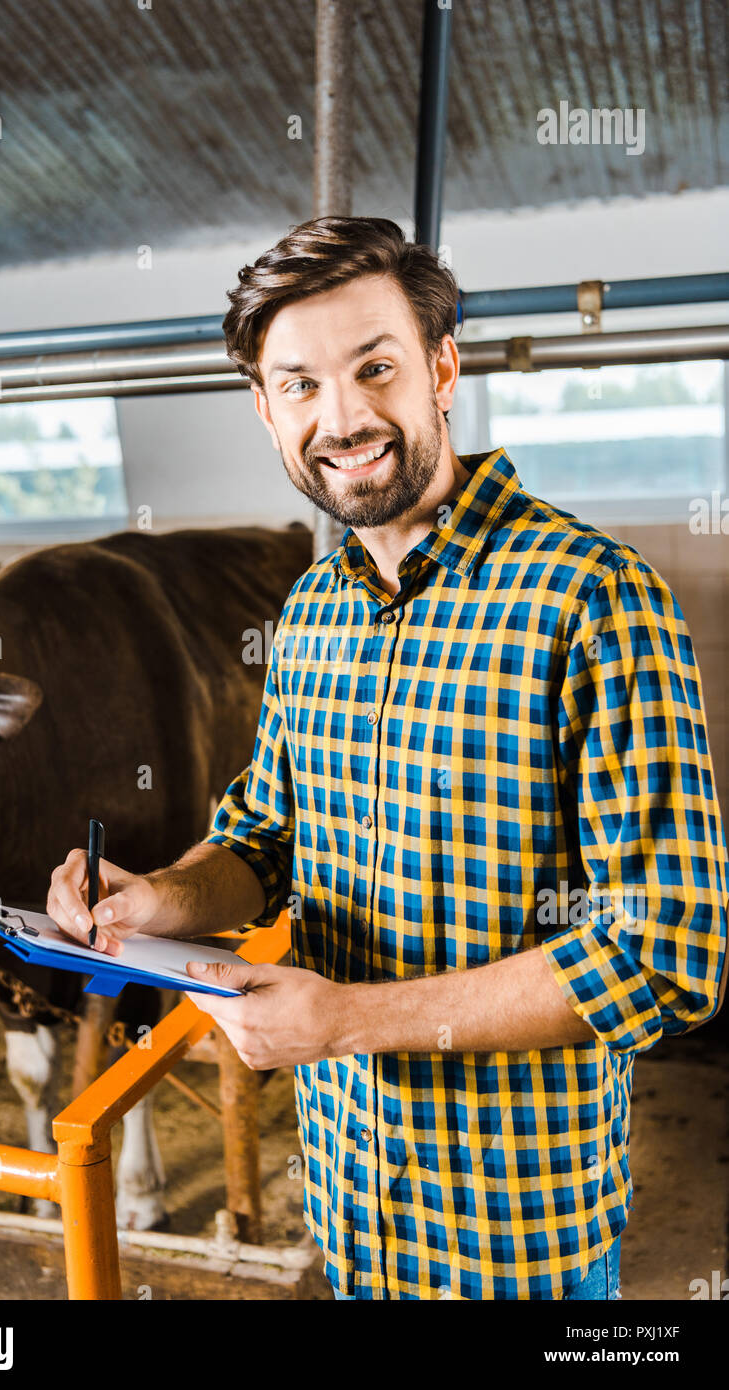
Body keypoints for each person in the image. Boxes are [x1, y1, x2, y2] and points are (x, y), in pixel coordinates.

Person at [47, 216, 728, 1300]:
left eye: (376, 367)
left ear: (442, 366)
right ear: (266, 409)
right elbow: (266, 839)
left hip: (515, 1240)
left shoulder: (590, 597)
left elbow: (669, 949)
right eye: (301, 385)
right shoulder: (313, 613)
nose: (346, 416)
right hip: (351, 1208)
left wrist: (348, 1019)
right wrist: (155, 900)